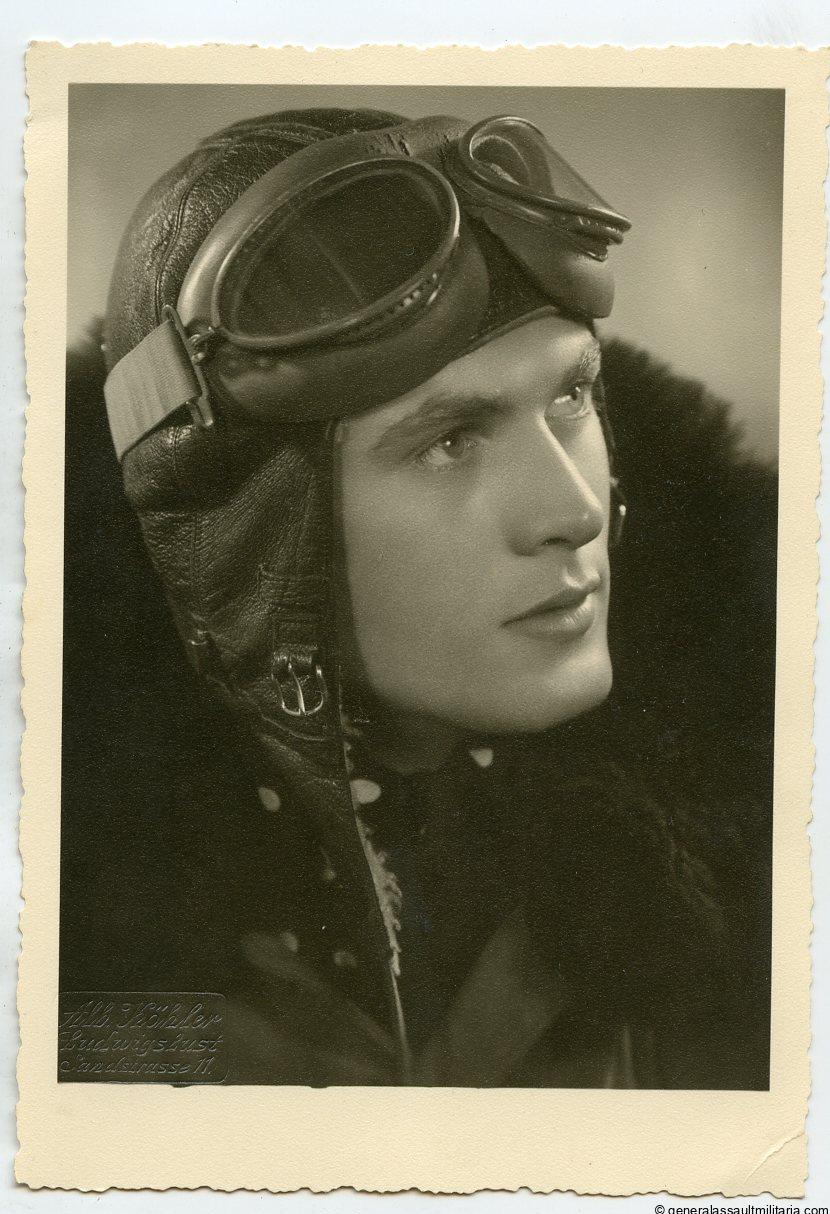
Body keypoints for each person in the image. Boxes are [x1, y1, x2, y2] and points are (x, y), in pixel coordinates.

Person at [61, 107, 776, 1087]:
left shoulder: (762, 886)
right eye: (449, 439)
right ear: (260, 533)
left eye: (568, 398)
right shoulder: (62, 962)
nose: (571, 512)